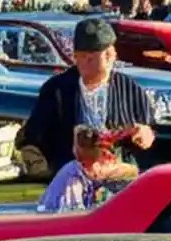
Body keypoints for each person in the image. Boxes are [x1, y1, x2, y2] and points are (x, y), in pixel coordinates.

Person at [16, 18, 155, 179]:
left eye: (107, 54)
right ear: (77, 57)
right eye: (83, 57)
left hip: (117, 176)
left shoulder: (129, 89)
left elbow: (149, 132)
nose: (86, 63)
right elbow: (35, 136)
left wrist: (145, 134)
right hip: (70, 175)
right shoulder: (56, 90)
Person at [37, 126, 138, 212]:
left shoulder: (96, 175)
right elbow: (72, 216)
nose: (112, 160)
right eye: (105, 158)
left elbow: (130, 174)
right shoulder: (74, 179)